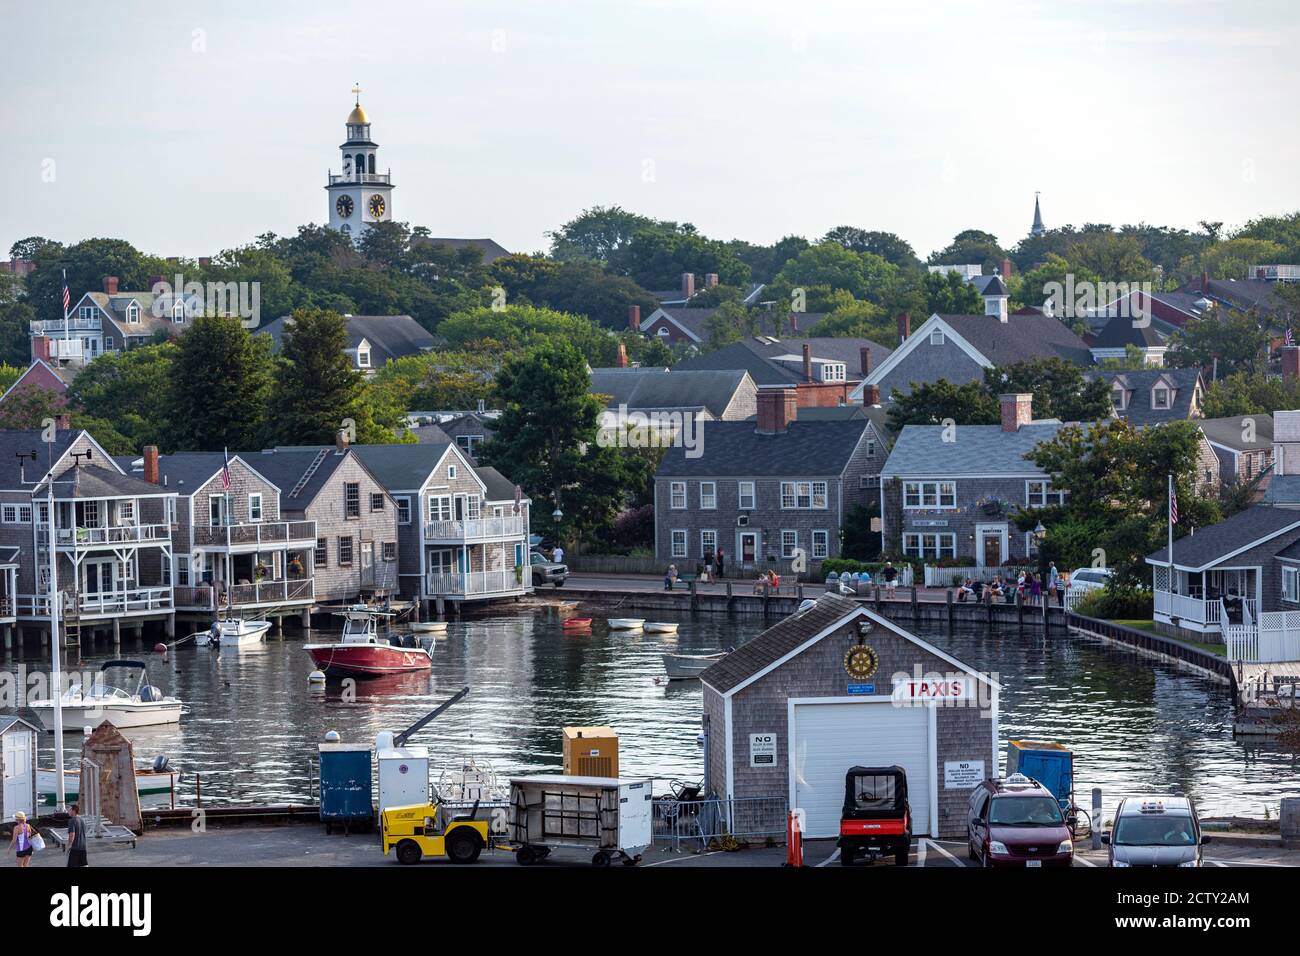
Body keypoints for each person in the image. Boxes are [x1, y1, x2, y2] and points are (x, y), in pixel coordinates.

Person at [66, 803, 88, 868]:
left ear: (74, 810)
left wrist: (69, 845)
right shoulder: (82, 820)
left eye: (69, 810)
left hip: (75, 848)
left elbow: (72, 834)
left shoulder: (72, 820)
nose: (68, 811)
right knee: (83, 865)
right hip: (83, 847)